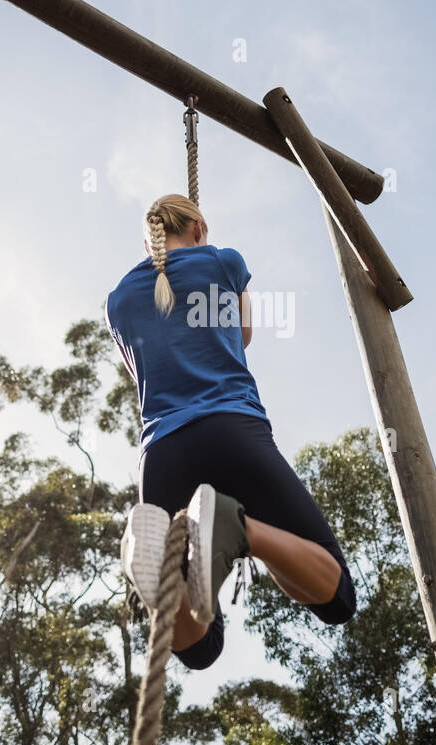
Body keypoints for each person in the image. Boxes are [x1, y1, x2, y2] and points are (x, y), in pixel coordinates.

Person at [104, 193, 357, 670]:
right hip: (233, 431)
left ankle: (148, 550)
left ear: (148, 242)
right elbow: (243, 334)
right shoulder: (223, 262)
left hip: (161, 454)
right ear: (198, 229)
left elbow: (138, 372)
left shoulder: (118, 302)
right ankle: (238, 529)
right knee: (337, 596)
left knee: (199, 649)